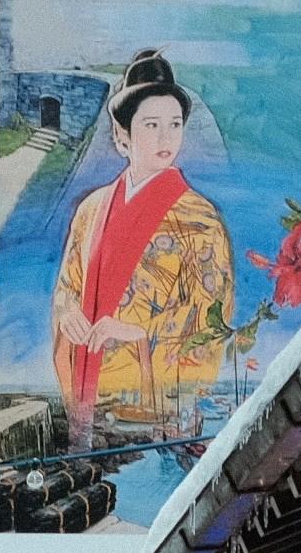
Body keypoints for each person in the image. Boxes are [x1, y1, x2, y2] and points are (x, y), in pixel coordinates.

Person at [46, 49, 237, 452]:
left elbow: (210, 315)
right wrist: (69, 316)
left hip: (151, 403)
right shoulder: (90, 210)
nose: (166, 138)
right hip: (91, 386)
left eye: (174, 124)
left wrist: (140, 331)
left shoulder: (201, 220)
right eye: (151, 125)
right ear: (122, 135)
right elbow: (67, 287)